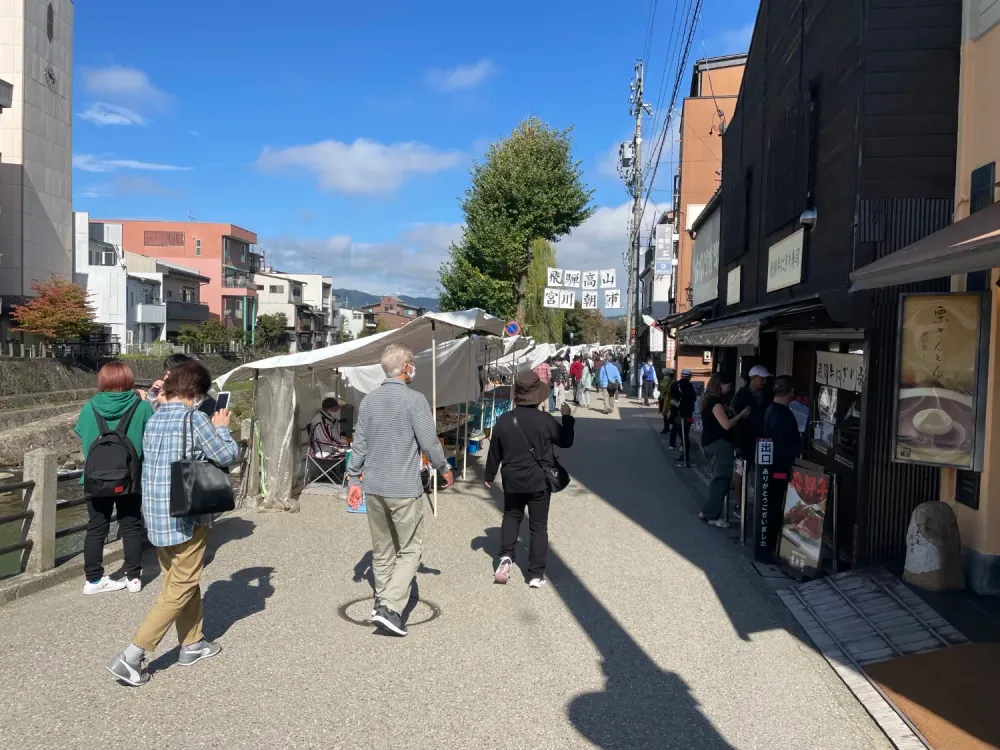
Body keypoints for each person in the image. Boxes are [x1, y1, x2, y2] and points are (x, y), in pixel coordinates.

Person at [107, 361, 239, 686]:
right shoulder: (195, 419)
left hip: (156, 516)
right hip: (188, 515)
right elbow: (227, 455)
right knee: (180, 584)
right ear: (197, 392)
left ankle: (192, 643)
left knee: (181, 580)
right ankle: (133, 655)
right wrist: (221, 425)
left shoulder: (153, 418)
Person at [345, 344, 454, 637]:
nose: (413, 369)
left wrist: (353, 479)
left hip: (374, 486)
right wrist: (444, 468)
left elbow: (359, 445)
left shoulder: (368, 401)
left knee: (382, 551)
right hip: (403, 486)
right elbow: (429, 443)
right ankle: (391, 606)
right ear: (405, 367)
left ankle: (382, 599)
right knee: (411, 549)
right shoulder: (415, 401)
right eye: (413, 363)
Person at [485, 371, 575, 588]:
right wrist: (567, 418)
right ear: (537, 396)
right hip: (539, 481)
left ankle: (506, 556)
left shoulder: (504, 420)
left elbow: (494, 452)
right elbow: (566, 441)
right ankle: (535, 574)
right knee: (538, 526)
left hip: (512, 479)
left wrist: (489, 475)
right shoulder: (545, 420)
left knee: (511, 516)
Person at [74, 362, 154, 595]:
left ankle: (94, 580)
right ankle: (134, 578)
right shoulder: (142, 408)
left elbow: (84, 437)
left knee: (96, 528)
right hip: (130, 479)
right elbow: (147, 443)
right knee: (131, 526)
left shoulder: (89, 408)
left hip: (95, 480)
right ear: (128, 381)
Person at [699, 373, 751, 527]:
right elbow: (726, 424)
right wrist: (741, 415)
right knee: (721, 479)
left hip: (711, 442)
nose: (729, 389)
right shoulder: (714, 402)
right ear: (719, 384)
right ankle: (713, 516)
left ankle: (706, 511)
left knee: (717, 479)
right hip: (720, 443)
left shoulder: (709, 399)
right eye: (728, 386)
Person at [731, 365, 771, 510]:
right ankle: (739, 504)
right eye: (761, 379)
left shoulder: (767, 394)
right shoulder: (741, 395)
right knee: (741, 473)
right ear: (753, 378)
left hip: (763, 440)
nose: (764, 382)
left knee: (762, 472)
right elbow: (732, 417)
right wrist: (736, 443)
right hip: (744, 439)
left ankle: (760, 504)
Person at [147, 354, 216, 415]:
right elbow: (157, 411)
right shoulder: (170, 394)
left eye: (169, 374)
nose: (165, 378)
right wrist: (154, 392)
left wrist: (168, 403)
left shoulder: (203, 400)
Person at [765, 376, 802, 479]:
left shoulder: (770, 409)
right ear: (792, 391)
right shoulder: (783, 414)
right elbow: (786, 443)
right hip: (781, 468)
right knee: (780, 493)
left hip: (772, 465)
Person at [670, 369, 698, 464]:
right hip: (689, 415)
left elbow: (672, 399)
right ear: (690, 377)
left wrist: (677, 404)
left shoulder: (675, 385)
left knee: (682, 435)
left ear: (681, 375)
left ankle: (685, 457)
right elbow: (694, 399)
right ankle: (685, 455)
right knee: (685, 435)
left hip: (678, 414)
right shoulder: (691, 387)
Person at [658, 367, 676, 434]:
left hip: (669, 400)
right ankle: (666, 427)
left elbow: (670, 390)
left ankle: (672, 427)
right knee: (664, 414)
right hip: (663, 399)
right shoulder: (663, 380)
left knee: (670, 414)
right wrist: (662, 389)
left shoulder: (673, 382)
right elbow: (659, 387)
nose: (664, 376)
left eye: (666, 374)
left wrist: (663, 389)